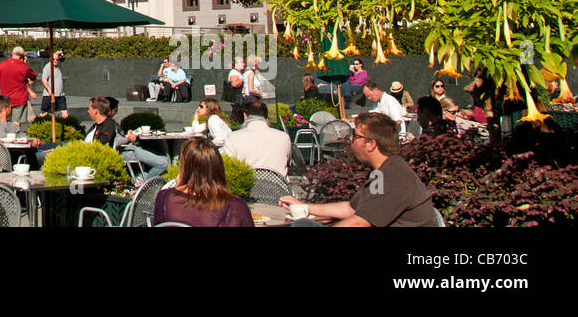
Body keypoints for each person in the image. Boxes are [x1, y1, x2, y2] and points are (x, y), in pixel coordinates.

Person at [279, 113, 437, 226]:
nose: (351, 140)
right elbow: (351, 209)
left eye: (356, 136)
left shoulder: (392, 176)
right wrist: (303, 206)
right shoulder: (383, 171)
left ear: (371, 144)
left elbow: (360, 222)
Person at [153, 137, 254, 227]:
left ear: (184, 168)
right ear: (218, 168)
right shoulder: (234, 206)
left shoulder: (165, 198)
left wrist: (179, 188)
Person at [220, 98, 291, 175]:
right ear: (267, 118)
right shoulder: (284, 137)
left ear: (245, 116)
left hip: (246, 185)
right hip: (278, 185)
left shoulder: (232, 137)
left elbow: (227, 164)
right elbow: (288, 159)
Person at [0, 47, 38, 123]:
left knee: (2, 121)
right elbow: (33, 76)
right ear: (22, 55)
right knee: (16, 122)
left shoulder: (2, 64)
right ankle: (14, 134)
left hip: (5, 99)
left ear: (12, 54)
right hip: (19, 99)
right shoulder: (23, 66)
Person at [40, 51, 69, 119]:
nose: (55, 61)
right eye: (53, 59)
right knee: (44, 114)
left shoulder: (58, 66)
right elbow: (44, 80)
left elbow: (61, 57)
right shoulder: (47, 67)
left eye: (57, 59)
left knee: (65, 114)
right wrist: (49, 90)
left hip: (60, 95)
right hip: (49, 96)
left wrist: (60, 53)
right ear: (50, 59)